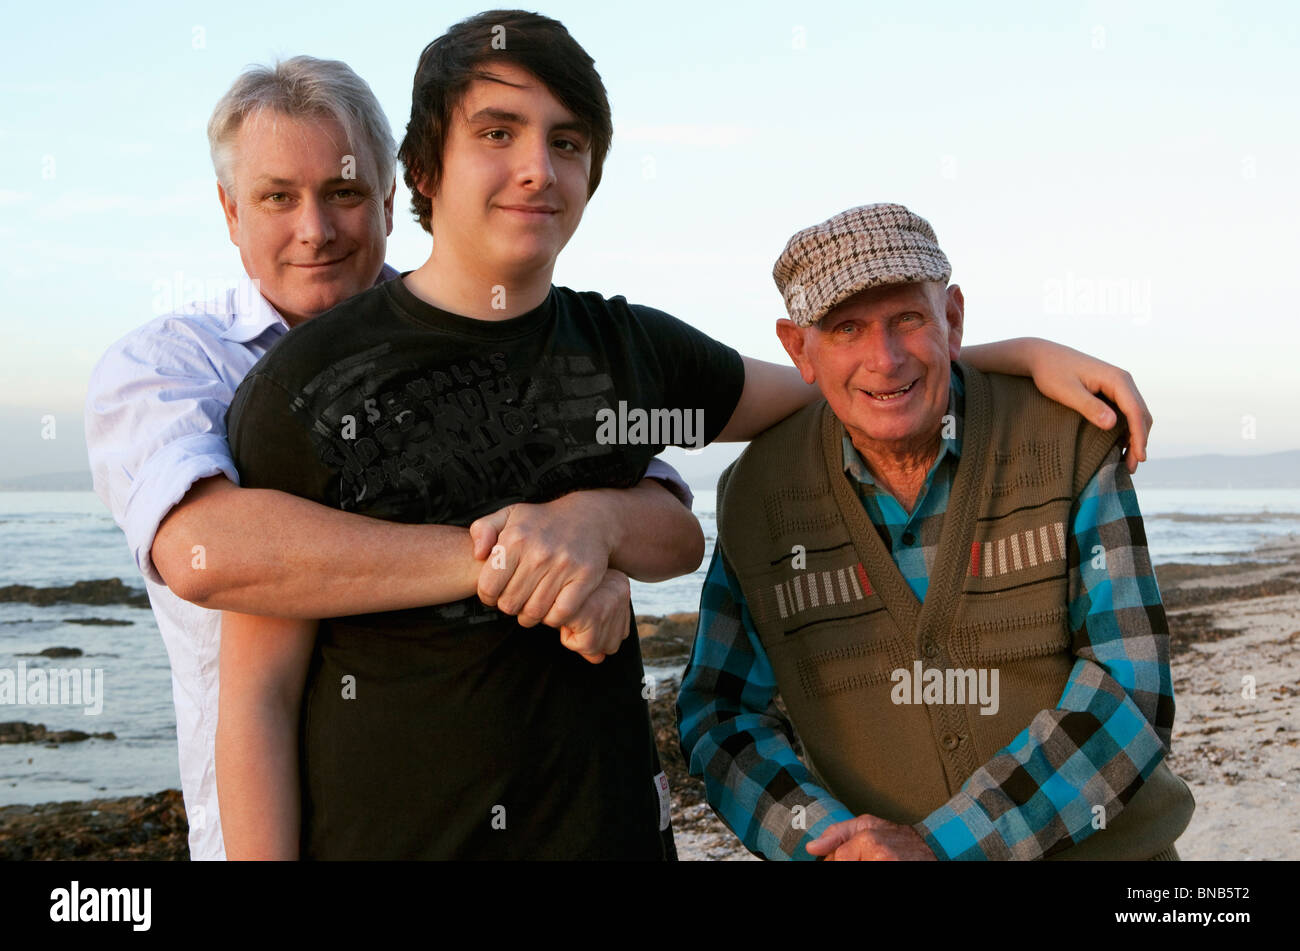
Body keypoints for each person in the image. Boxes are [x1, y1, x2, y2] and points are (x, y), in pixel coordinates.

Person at [215, 11, 1159, 861]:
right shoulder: (310, 385)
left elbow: (845, 379)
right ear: (422, 168)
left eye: (568, 140)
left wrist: (1011, 357)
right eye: (497, 134)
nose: (538, 166)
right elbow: (257, 694)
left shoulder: (634, 354)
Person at [84, 54, 706, 861]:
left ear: (387, 199)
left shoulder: (484, 323)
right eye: (278, 197)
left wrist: (592, 527)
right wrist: (508, 560)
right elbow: (209, 553)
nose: (316, 229)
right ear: (229, 210)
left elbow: (666, 518)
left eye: (343, 192)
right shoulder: (172, 365)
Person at [677, 202, 1195, 861]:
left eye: (907, 319)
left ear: (951, 318)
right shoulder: (757, 497)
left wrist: (943, 845)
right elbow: (720, 714)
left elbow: (1130, 686)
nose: (885, 358)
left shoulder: (1067, 442)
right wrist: (827, 844)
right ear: (798, 348)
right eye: (845, 329)